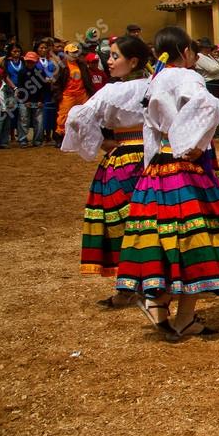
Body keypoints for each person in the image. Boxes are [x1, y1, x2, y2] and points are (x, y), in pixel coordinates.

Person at [115, 27, 219, 341]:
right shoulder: (188, 77)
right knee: (196, 240)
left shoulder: (156, 79)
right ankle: (185, 318)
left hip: (156, 171)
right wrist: (195, 143)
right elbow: (209, 107)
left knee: (157, 238)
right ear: (187, 51)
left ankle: (160, 310)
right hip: (183, 169)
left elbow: (151, 131)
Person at [61, 35, 151, 307]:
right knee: (151, 221)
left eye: (114, 56)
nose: (109, 61)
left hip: (123, 160)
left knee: (120, 223)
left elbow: (77, 117)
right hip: (156, 159)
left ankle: (127, 286)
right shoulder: (156, 85)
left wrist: (103, 143)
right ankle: (153, 283)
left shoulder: (112, 92)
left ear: (132, 60)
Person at [54, 43, 95, 142]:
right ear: (66, 53)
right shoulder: (62, 66)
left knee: (84, 115)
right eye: (72, 52)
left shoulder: (82, 64)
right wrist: (58, 95)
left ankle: (82, 137)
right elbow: (56, 82)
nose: (75, 54)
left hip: (82, 94)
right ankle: (61, 137)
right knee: (64, 116)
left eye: (76, 52)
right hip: (68, 95)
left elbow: (88, 79)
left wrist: (90, 92)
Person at [16, 51, 47, 147]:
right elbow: (20, 87)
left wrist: (41, 100)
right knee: (23, 120)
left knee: (39, 122)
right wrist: (25, 101)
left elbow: (43, 88)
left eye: (32, 61)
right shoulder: (21, 72)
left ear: (35, 62)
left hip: (37, 101)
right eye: (28, 61)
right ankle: (22, 140)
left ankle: (38, 140)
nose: (29, 63)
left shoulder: (40, 72)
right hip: (25, 100)